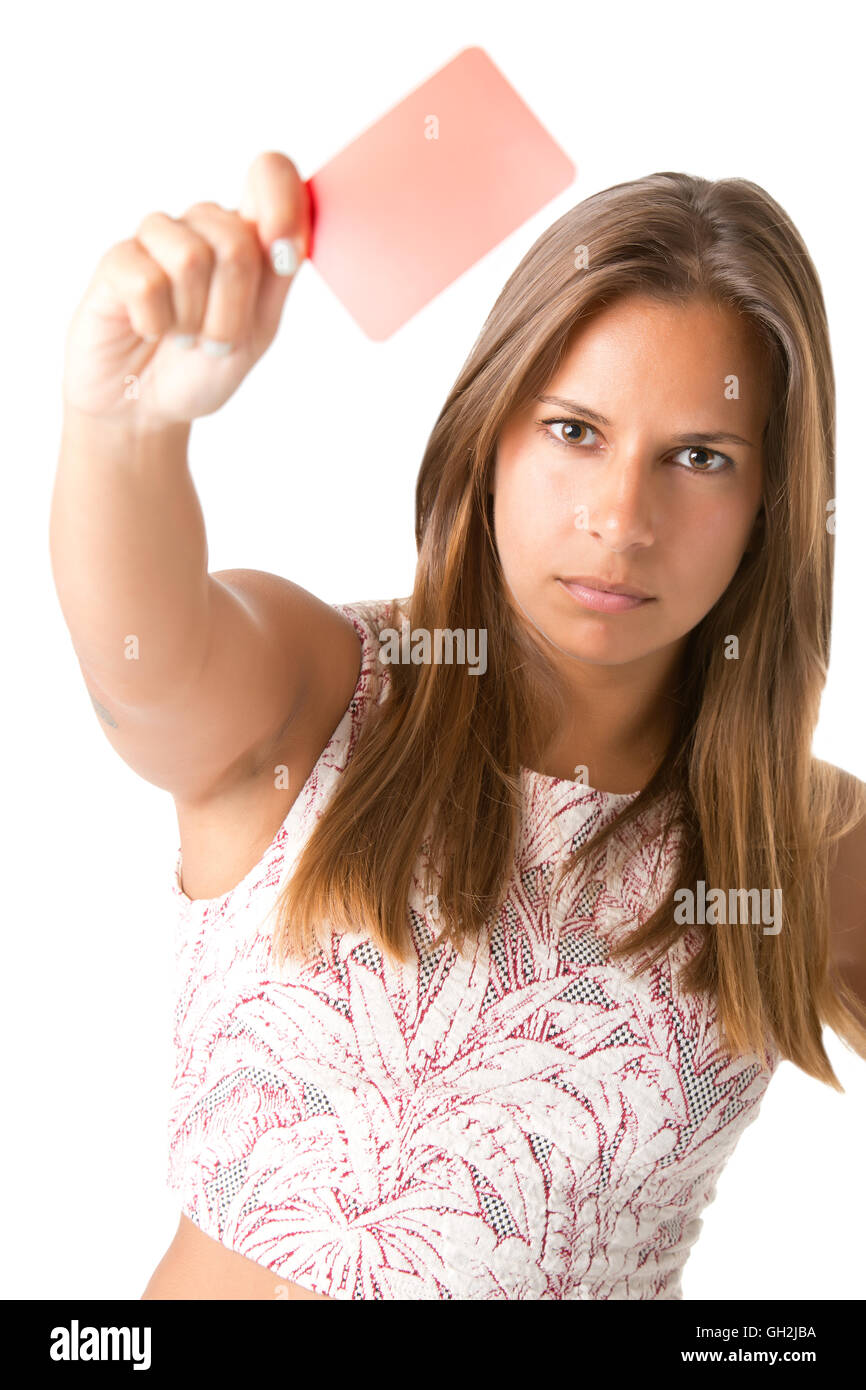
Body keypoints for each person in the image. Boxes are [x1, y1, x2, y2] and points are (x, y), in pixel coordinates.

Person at [49, 152, 866, 1301]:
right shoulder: (318, 690)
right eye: (573, 430)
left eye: (697, 457)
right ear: (489, 436)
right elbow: (138, 670)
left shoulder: (805, 846)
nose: (619, 519)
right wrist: (123, 432)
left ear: (768, 498)